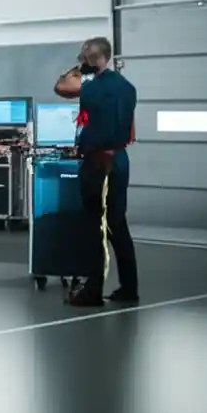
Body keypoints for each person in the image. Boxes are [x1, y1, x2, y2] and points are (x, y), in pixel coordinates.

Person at [53, 36, 139, 307]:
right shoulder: (127, 87)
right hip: (120, 161)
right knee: (117, 225)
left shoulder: (92, 88)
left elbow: (61, 87)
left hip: (98, 165)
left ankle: (92, 291)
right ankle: (129, 287)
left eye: (84, 56)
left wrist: (78, 67)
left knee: (94, 228)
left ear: (90, 59)